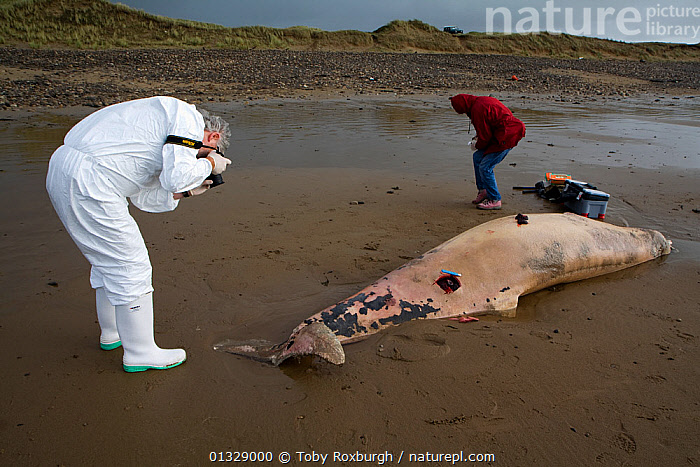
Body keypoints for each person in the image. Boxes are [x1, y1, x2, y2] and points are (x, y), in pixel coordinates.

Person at [46, 96, 231, 372]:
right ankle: (140, 351)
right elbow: (176, 176)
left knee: (107, 262)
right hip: (90, 180)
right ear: (212, 136)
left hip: (70, 172)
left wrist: (187, 192)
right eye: (210, 150)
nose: (202, 156)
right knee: (131, 266)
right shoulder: (187, 118)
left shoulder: (158, 131)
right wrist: (211, 165)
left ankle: (112, 334)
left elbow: (143, 196)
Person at [449, 94, 526, 210]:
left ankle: (495, 199)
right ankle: (483, 191)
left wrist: (476, 145)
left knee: (485, 167)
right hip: (501, 133)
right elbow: (489, 125)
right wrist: (478, 139)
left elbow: (485, 137)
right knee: (477, 158)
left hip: (508, 135)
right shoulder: (479, 102)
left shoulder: (477, 109)